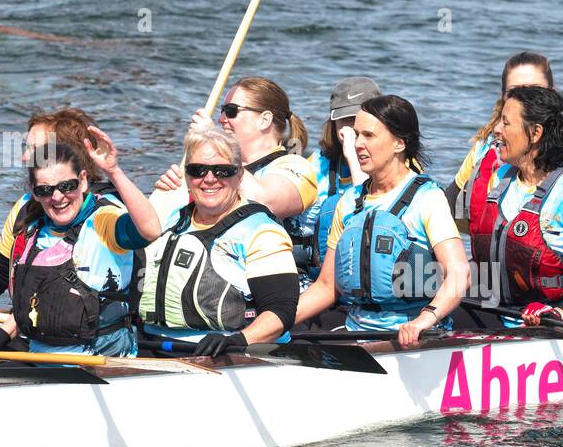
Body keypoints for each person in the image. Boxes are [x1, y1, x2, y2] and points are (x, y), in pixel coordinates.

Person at [0, 137, 161, 362]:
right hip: (41, 358)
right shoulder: (32, 228)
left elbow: (150, 230)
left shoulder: (104, 221)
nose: (57, 197)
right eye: (45, 190)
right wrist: (1, 334)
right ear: (35, 193)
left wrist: (114, 171)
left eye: (67, 186)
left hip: (103, 362)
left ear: (83, 181)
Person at [294, 95, 469, 346]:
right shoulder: (349, 202)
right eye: (356, 135)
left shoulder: (427, 199)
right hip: (358, 332)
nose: (357, 144)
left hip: (415, 337)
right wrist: (271, 323)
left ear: (399, 143)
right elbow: (325, 286)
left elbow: (459, 273)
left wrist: (425, 319)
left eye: (369, 135)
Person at [457, 86, 563, 327]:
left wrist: (561, 312)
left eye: (506, 123)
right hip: (500, 309)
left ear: (535, 132)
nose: (496, 130)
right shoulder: (499, 177)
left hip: (554, 319)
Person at [138, 123, 298, 355]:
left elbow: (281, 311)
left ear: (239, 175)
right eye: (198, 170)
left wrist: (239, 340)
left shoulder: (261, 231)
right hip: (153, 346)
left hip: (224, 353)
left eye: (222, 170)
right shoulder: (168, 217)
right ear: (186, 175)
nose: (209, 179)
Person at [0, 107, 116, 306]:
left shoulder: (107, 211)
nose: (25, 158)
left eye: (34, 149)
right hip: (31, 324)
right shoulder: (26, 207)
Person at [445, 52, 563, 245]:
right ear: (504, 97)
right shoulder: (484, 148)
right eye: (516, 91)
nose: (526, 99)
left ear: (553, 94)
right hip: (487, 267)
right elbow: (445, 208)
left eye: (536, 90)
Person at [153, 77, 315, 225]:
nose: (221, 119)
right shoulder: (214, 168)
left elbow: (264, 202)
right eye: (222, 110)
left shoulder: (297, 167)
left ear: (264, 120)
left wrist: (217, 147)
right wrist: (183, 186)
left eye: (231, 110)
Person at [290, 77, 382, 287]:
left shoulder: (394, 163)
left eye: (358, 119)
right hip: (322, 272)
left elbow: (367, 206)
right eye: (345, 121)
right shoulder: (318, 165)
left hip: (371, 271)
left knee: (337, 204)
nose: (352, 129)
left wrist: (352, 152)